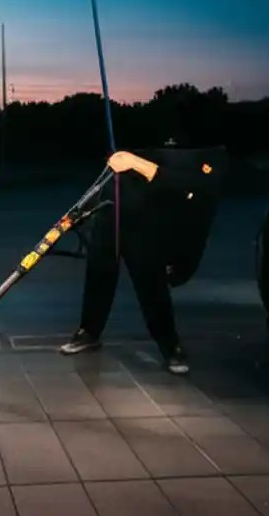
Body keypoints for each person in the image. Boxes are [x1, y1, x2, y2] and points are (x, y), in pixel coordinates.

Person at [59, 147, 226, 374]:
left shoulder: (192, 153)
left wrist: (136, 163)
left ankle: (171, 346)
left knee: (150, 281)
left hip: (145, 218)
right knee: (99, 272)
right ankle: (89, 332)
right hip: (111, 212)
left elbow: (192, 184)